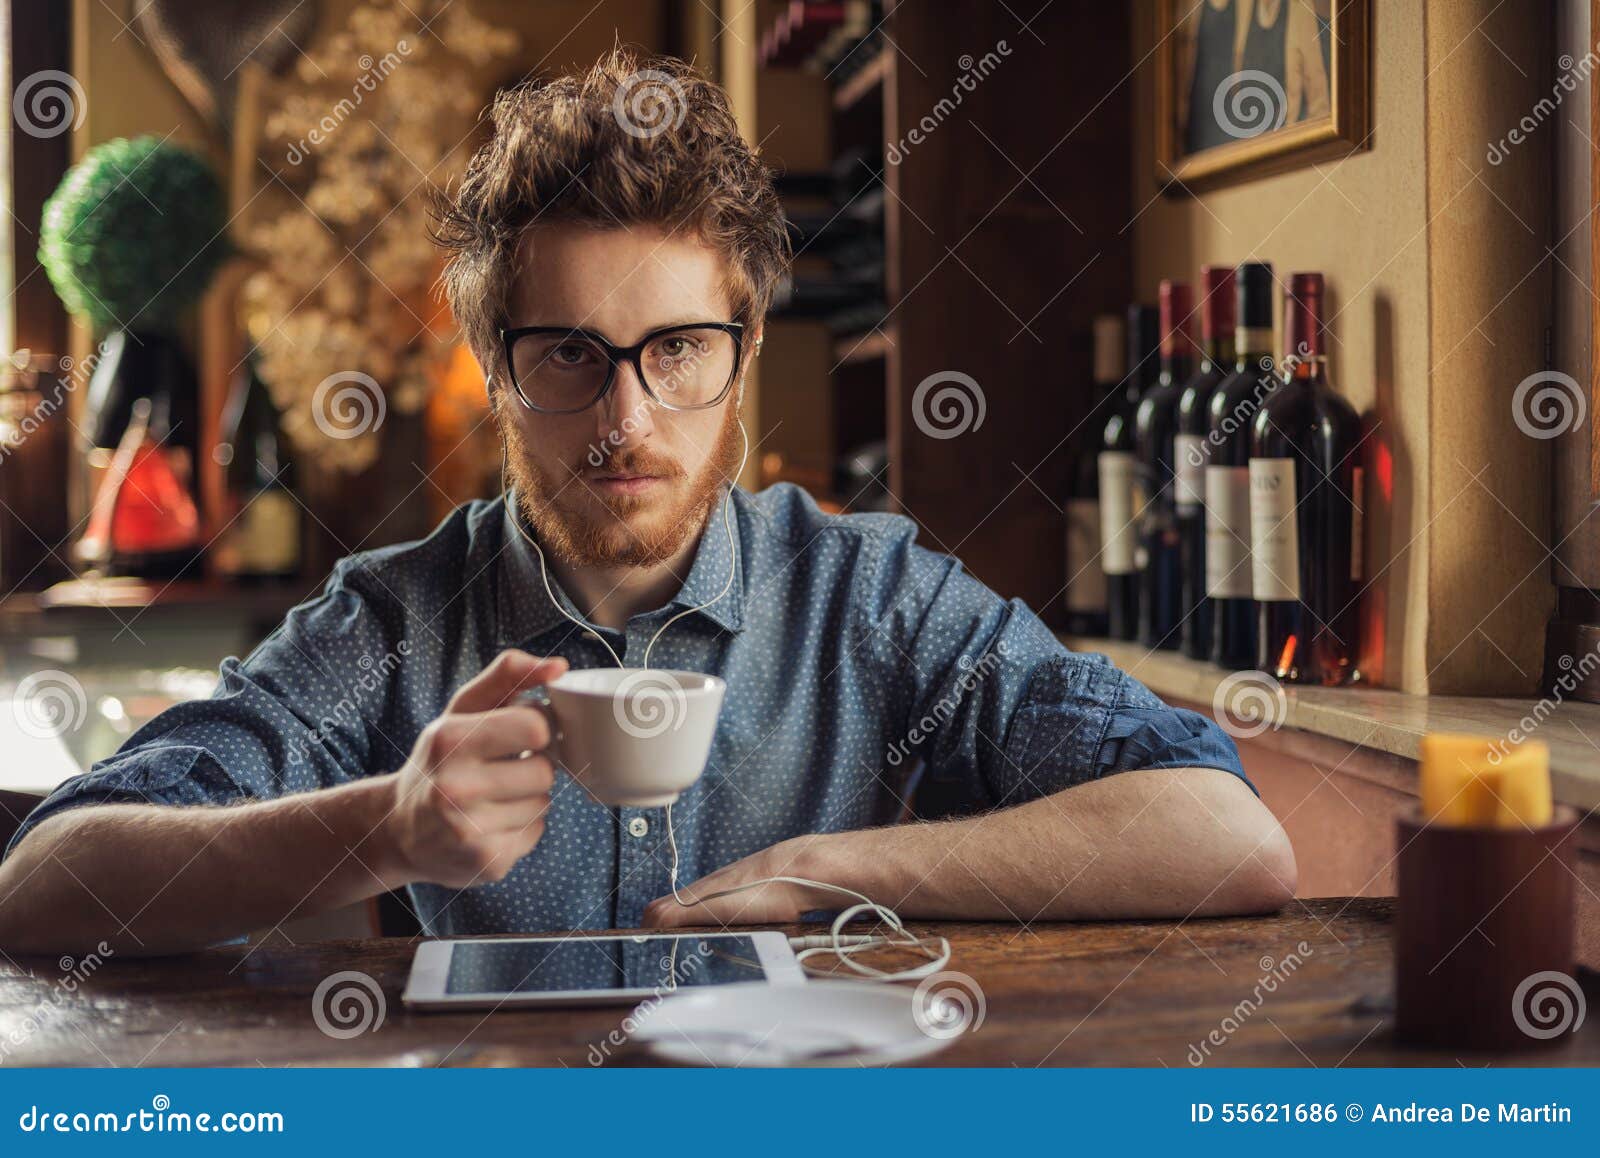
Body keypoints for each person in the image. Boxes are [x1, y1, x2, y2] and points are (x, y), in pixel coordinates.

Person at [0, 49, 1294, 957]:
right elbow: (44, 883)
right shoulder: (390, 624)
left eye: (676, 350)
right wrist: (383, 826)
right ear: (495, 365)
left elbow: (1228, 835)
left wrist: (825, 871)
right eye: (569, 353)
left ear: (743, 351)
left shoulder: (872, 599)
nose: (625, 418)